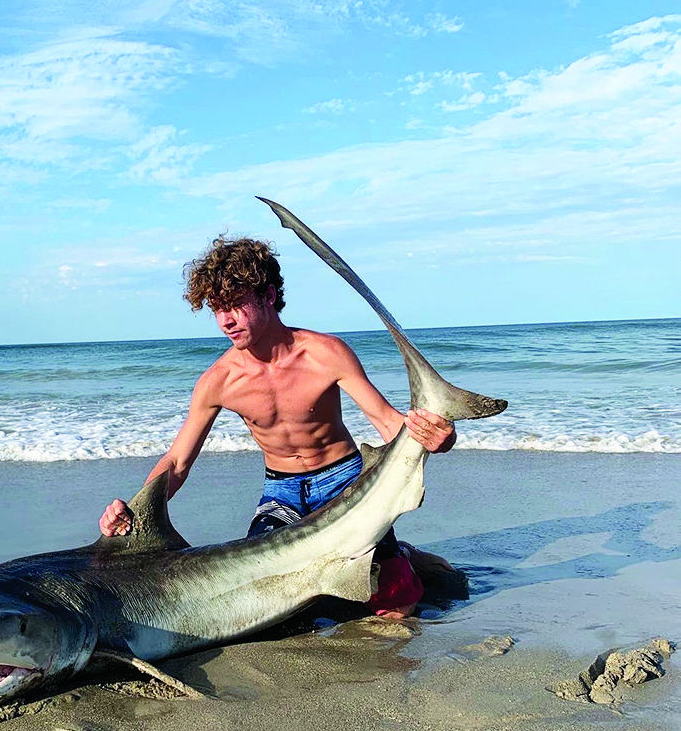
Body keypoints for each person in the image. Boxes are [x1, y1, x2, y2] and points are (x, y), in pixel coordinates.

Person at [99, 236, 456, 618]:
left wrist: (437, 438)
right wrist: (135, 511)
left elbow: (388, 422)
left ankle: (398, 554)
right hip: (282, 495)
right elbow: (177, 462)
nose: (226, 321)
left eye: (236, 305)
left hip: (348, 484)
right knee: (268, 610)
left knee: (398, 608)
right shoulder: (218, 381)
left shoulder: (325, 353)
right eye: (217, 309)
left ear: (268, 295)